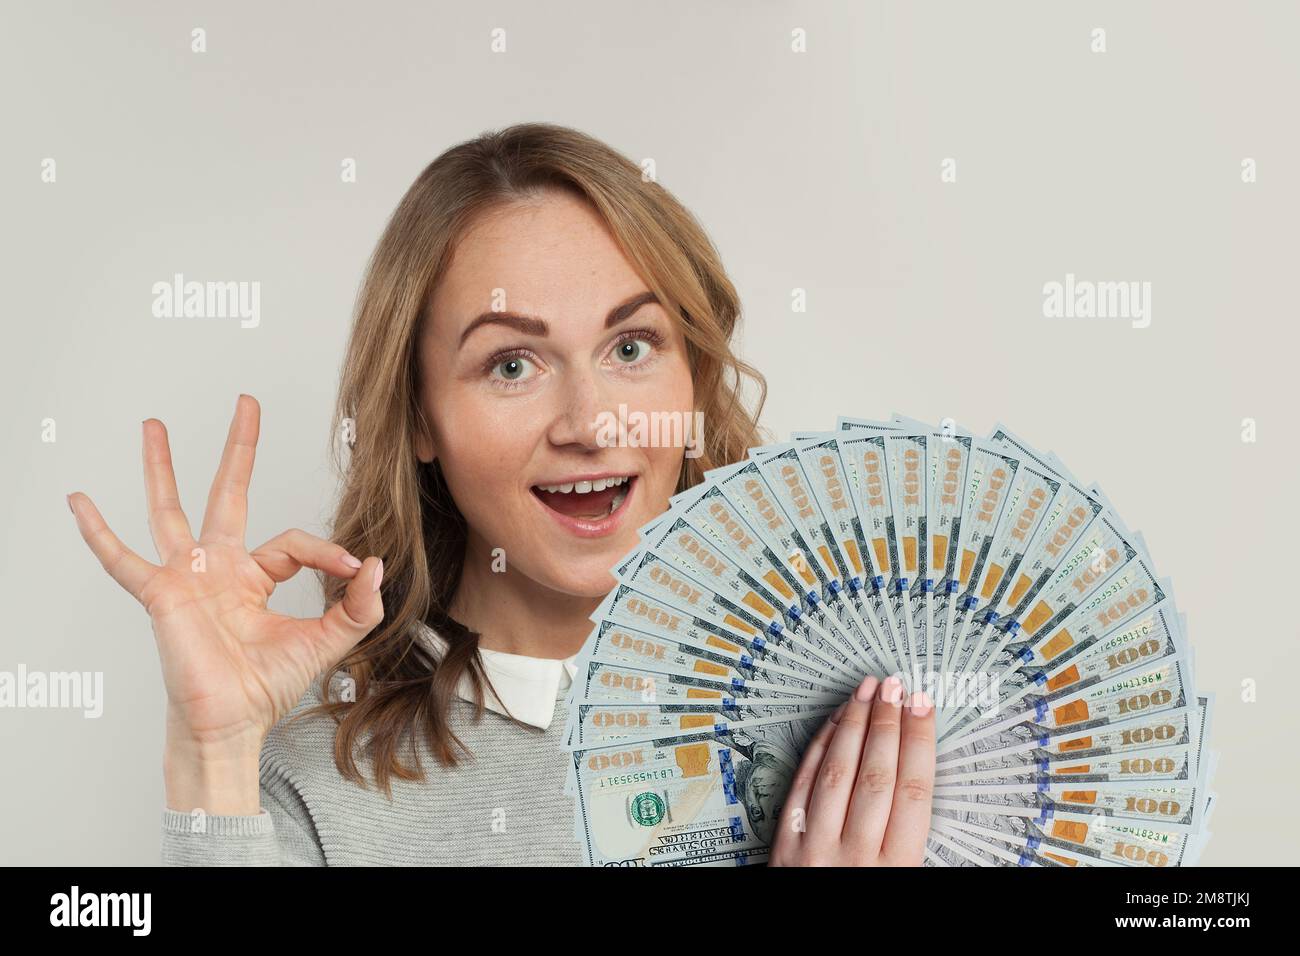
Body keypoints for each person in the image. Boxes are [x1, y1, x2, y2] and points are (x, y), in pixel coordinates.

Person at [66, 122, 935, 866]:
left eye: (631, 347)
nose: (591, 423)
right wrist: (212, 757)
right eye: (512, 365)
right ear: (418, 417)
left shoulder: (871, 740)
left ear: (695, 380)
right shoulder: (318, 793)